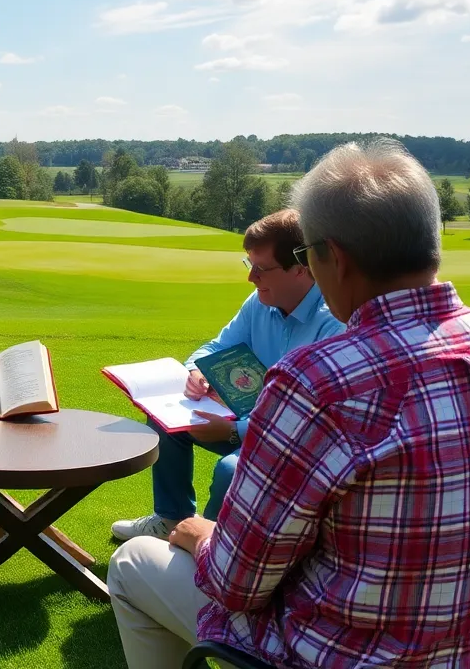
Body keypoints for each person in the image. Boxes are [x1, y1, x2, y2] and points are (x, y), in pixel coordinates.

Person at [108, 139, 470, 669]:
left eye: (308, 256)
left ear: (334, 259)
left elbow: (238, 582)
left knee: (134, 561)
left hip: (342, 656)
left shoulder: (321, 378)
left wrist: (198, 533)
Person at [111, 209, 344, 542]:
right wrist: (197, 372)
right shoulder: (260, 302)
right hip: (247, 418)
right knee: (165, 421)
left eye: (262, 269)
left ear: (301, 269)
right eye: (250, 265)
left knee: (230, 469)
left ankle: (211, 546)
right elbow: (212, 349)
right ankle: (171, 520)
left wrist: (235, 432)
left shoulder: (332, 324)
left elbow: (312, 419)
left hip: (295, 440)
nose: (252, 279)